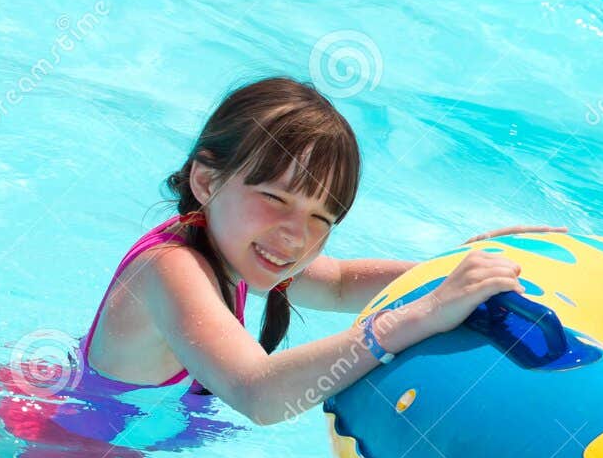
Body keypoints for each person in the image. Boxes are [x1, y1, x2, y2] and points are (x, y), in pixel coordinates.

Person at [58, 76, 557, 428]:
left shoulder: (230, 244)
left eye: (322, 218)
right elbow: (258, 392)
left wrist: (454, 274)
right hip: (57, 453)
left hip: (106, 439)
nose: (296, 236)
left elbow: (340, 282)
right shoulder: (171, 269)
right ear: (207, 180)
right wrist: (421, 316)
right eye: (275, 198)